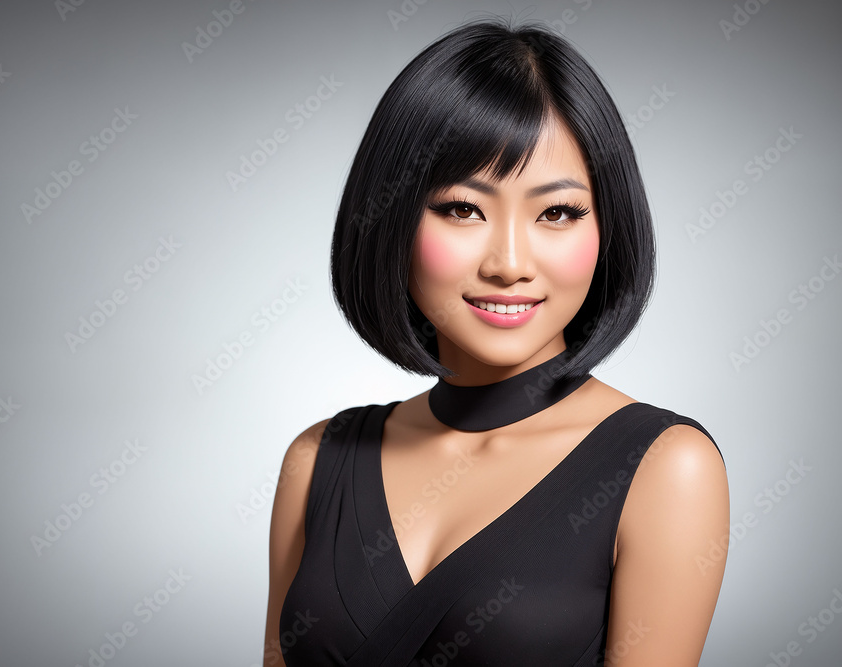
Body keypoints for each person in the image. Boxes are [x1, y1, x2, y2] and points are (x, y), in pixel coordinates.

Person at [263, 18, 729, 666]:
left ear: (608, 228)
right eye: (463, 209)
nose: (509, 263)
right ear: (392, 218)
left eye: (556, 213)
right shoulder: (316, 459)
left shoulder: (666, 468)